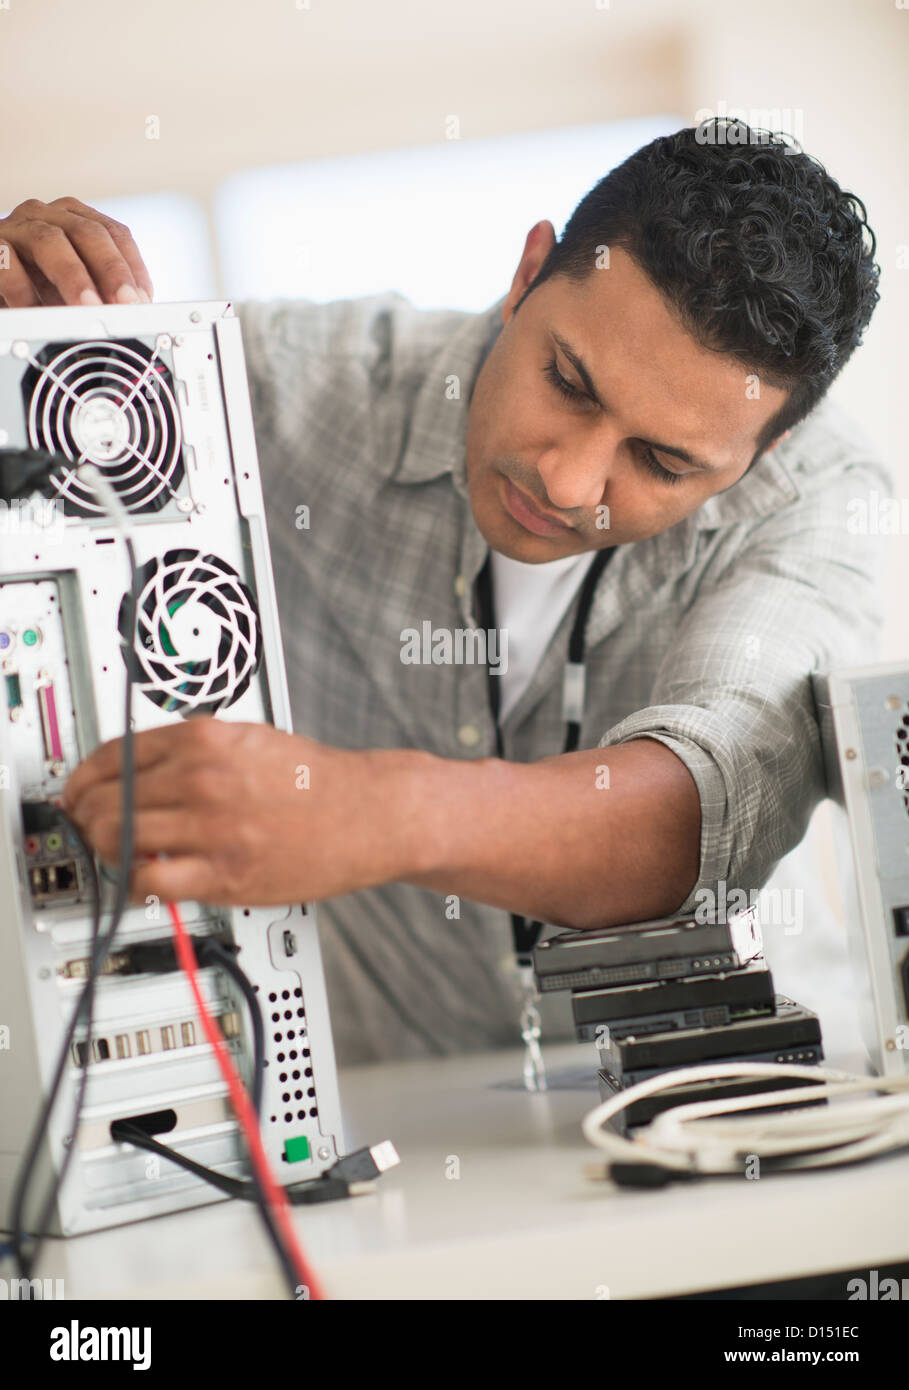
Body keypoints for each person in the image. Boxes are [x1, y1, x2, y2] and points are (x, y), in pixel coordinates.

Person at [1, 121, 890, 1064]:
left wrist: (374, 811)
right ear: (527, 275)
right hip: (396, 1116)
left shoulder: (817, 498)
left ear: (766, 450)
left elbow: (706, 807)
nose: (568, 482)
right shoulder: (278, 386)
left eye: (663, 460)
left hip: (732, 1106)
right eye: (568, 381)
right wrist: (23, 310)